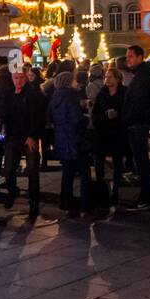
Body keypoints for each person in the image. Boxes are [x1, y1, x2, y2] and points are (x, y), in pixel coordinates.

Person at [0, 67, 54, 225]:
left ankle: (34, 204)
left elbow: (38, 117)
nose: (18, 81)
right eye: (16, 78)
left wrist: (32, 136)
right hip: (13, 137)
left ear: (26, 78)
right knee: (8, 168)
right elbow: (4, 113)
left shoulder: (34, 94)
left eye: (21, 77)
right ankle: (12, 190)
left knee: (32, 171)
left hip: (28, 137)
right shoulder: (9, 95)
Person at [121, 46, 150, 211]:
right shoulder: (141, 75)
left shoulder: (142, 78)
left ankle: (147, 197)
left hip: (137, 124)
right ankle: (149, 196)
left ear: (140, 57)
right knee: (141, 160)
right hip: (138, 122)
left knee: (141, 161)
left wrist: (127, 119)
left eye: (130, 56)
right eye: (127, 56)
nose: (127, 59)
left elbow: (139, 103)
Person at [50, 71, 93, 218]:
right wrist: (86, 119)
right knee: (84, 173)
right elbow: (76, 119)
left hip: (63, 139)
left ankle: (66, 203)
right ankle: (86, 205)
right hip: (76, 140)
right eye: (74, 80)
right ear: (68, 82)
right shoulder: (71, 95)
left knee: (67, 173)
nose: (76, 82)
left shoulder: (56, 96)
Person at [92, 65, 127, 207]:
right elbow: (95, 112)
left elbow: (127, 109)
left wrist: (118, 114)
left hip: (118, 131)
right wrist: (104, 116)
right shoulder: (102, 92)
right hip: (103, 131)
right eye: (106, 77)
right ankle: (101, 188)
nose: (107, 79)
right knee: (99, 160)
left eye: (110, 77)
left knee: (117, 161)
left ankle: (116, 190)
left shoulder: (124, 93)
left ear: (118, 79)